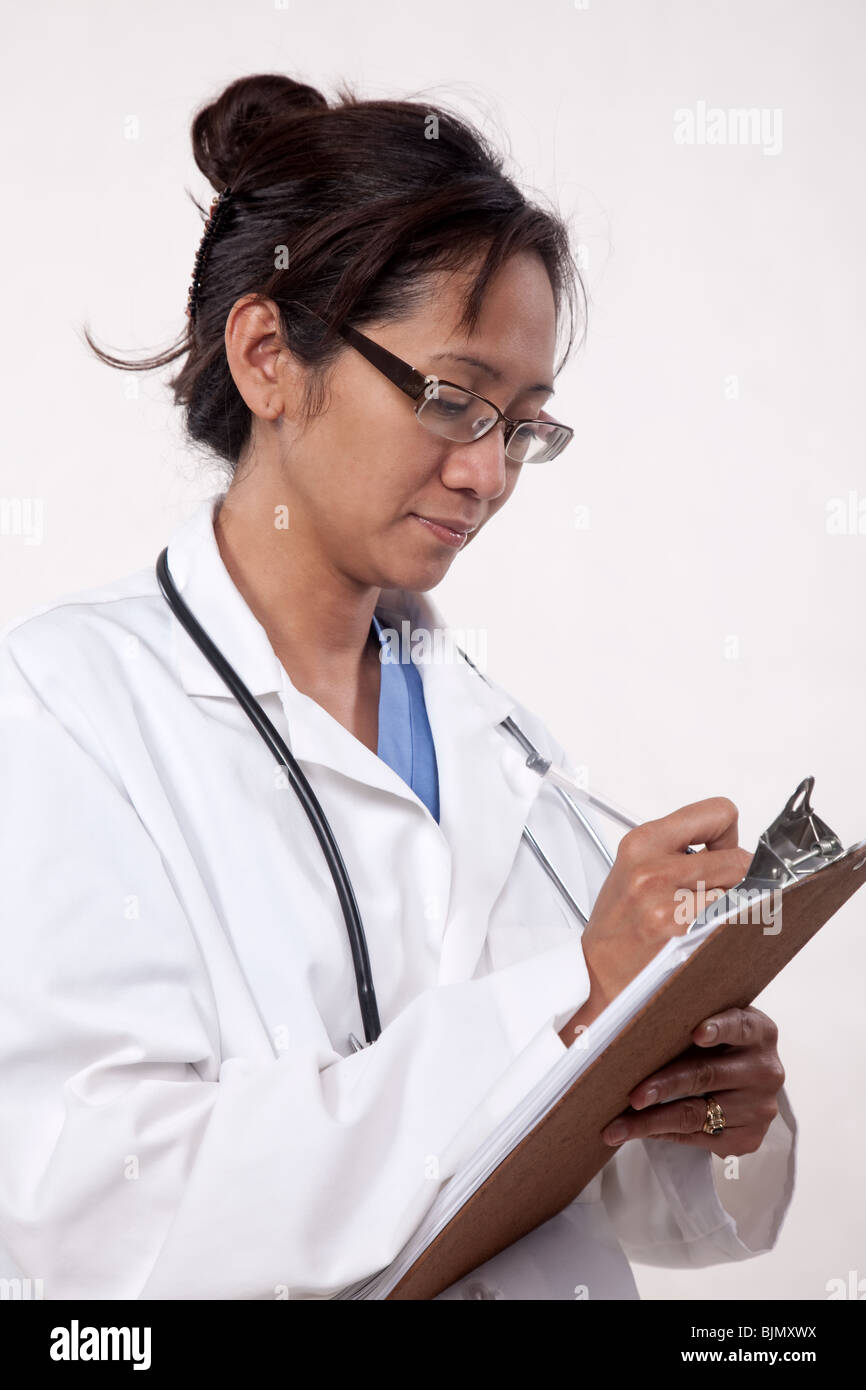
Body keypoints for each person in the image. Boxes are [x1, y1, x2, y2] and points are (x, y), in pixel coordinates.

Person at [0, 72, 795, 1301]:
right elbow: (105, 1225)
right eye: (450, 397)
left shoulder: (500, 738)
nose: (487, 475)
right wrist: (566, 997)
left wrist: (706, 1105)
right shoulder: (67, 706)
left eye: (521, 424)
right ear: (268, 355)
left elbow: (622, 1195)